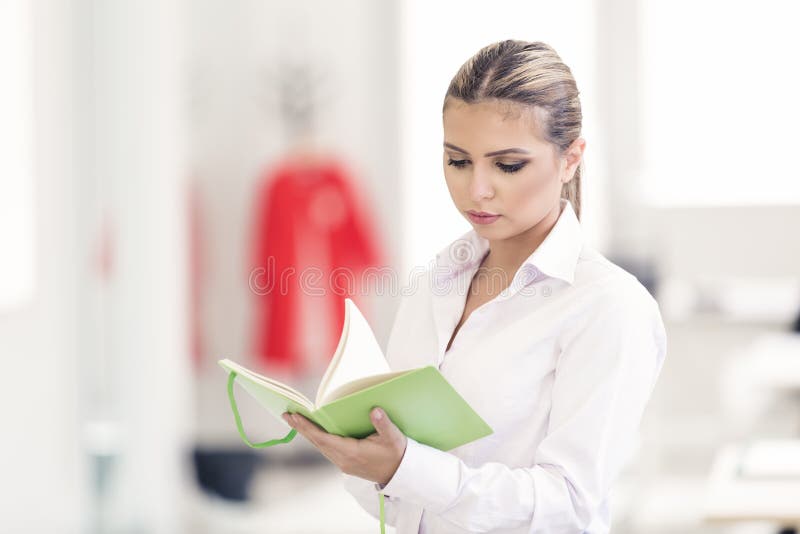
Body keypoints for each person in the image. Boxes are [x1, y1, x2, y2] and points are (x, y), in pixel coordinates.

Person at [282, 39, 667, 533]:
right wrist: (370, 460)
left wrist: (408, 469)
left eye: (507, 165)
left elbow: (569, 506)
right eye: (458, 161)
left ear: (571, 158)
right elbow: (393, 498)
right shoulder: (436, 283)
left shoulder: (608, 306)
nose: (476, 189)